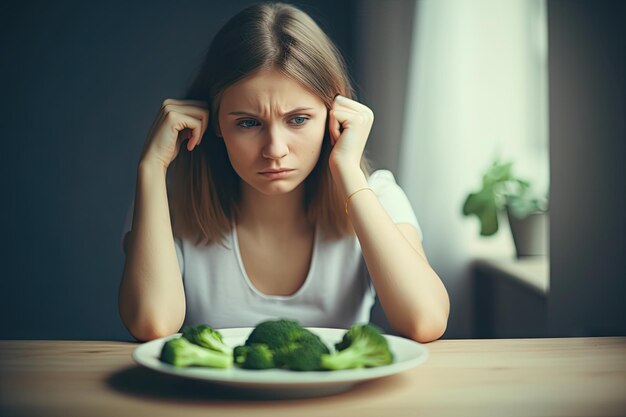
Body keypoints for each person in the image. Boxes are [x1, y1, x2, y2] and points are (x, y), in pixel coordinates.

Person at [119, 2, 449, 343]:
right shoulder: (168, 199)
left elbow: (425, 321)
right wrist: (151, 167)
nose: (275, 149)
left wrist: (348, 170)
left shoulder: (378, 197)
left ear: (335, 116)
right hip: (212, 398)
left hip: (339, 398)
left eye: (298, 119)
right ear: (214, 122)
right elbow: (151, 324)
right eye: (248, 123)